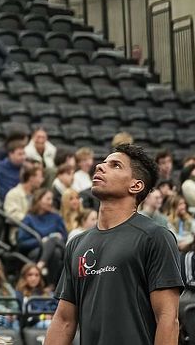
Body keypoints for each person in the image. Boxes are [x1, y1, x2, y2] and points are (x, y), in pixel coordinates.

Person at [45, 143, 182, 345]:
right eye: (103, 162)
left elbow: (168, 319)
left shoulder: (155, 237)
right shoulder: (76, 244)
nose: (100, 166)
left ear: (136, 185)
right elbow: (64, 320)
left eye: (115, 165)